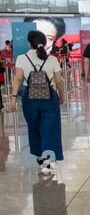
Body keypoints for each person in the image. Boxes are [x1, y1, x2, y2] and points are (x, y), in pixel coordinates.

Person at [12, 30, 65, 172]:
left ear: (29, 43)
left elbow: (17, 78)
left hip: (29, 98)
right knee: (50, 129)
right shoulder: (52, 59)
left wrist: (12, 98)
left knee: (34, 128)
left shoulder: (22, 58)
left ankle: (40, 158)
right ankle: (48, 163)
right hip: (49, 98)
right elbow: (59, 81)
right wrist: (62, 95)